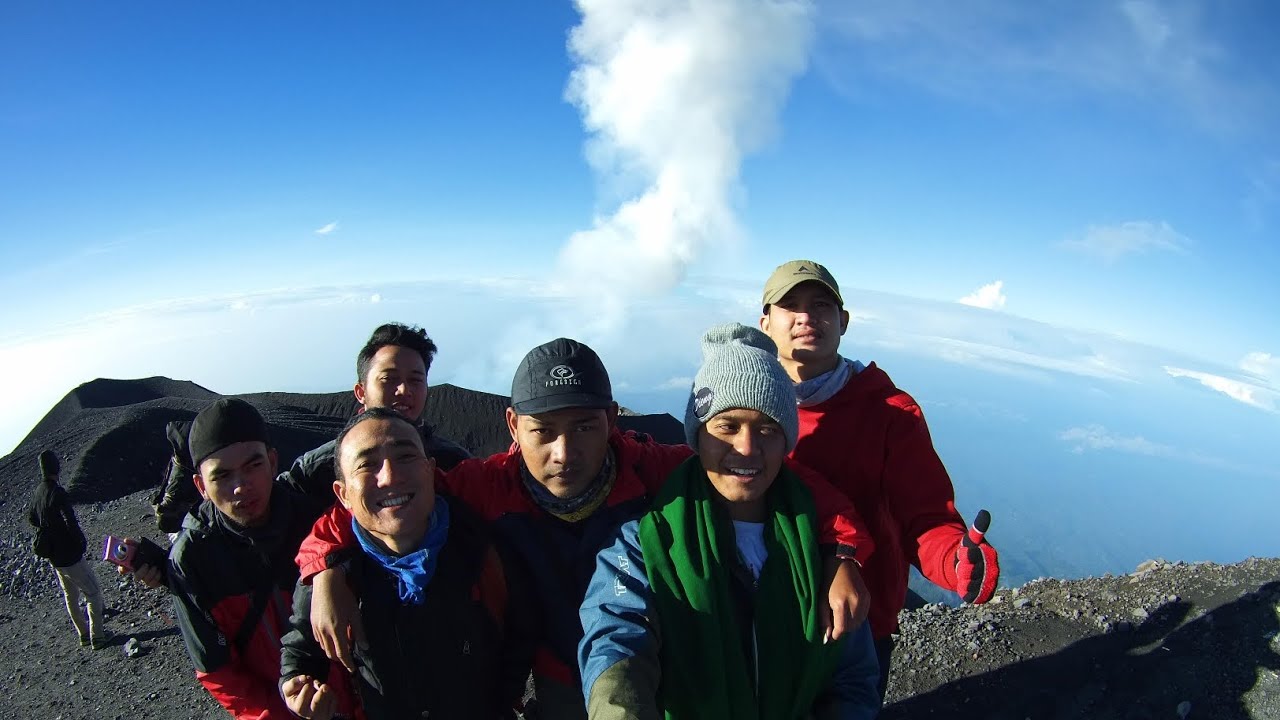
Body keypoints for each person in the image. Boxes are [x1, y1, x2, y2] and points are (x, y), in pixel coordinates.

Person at [296, 337, 873, 720]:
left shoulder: (650, 469)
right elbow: (386, 500)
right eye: (543, 431)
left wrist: (843, 551)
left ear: (612, 420)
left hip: (663, 667)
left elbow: (777, 479)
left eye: (585, 427)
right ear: (512, 426)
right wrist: (325, 568)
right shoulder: (485, 485)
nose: (564, 452)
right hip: (554, 677)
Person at [579, 323, 880, 719]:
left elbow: (853, 676)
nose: (747, 448)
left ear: (787, 440)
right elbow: (617, 640)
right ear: (698, 435)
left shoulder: (821, 551)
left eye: (768, 429)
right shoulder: (643, 545)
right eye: (727, 426)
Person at [758, 259, 1001, 699]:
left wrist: (954, 559)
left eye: (821, 305)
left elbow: (925, 516)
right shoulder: (745, 407)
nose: (806, 317)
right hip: (762, 617)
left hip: (856, 626)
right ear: (765, 324)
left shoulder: (890, 413)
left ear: (843, 321)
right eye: (790, 305)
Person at [280, 408, 537, 719]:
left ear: (431, 470)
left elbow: (522, 630)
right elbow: (301, 654)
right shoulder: (331, 578)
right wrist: (297, 685)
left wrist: (504, 697)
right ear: (343, 494)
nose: (390, 476)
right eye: (367, 464)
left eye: (405, 457)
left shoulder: (484, 549)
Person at [168, 398, 339, 719]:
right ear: (201, 486)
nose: (240, 486)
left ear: (272, 462)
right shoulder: (193, 559)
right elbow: (219, 673)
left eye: (253, 465)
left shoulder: (316, 520)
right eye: (222, 476)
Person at [278, 322, 471, 505]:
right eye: (389, 378)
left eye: (415, 380)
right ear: (361, 392)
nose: (404, 390)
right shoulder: (314, 471)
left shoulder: (454, 463)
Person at [27, 450, 109, 649]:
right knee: (93, 593)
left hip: (55, 558)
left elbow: (32, 519)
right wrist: (80, 543)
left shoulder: (38, 493)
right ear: (56, 468)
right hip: (70, 555)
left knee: (70, 596)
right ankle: (98, 636)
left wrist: (48, 527)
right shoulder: (58, 493)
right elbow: (71, 522)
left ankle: (83, 634)